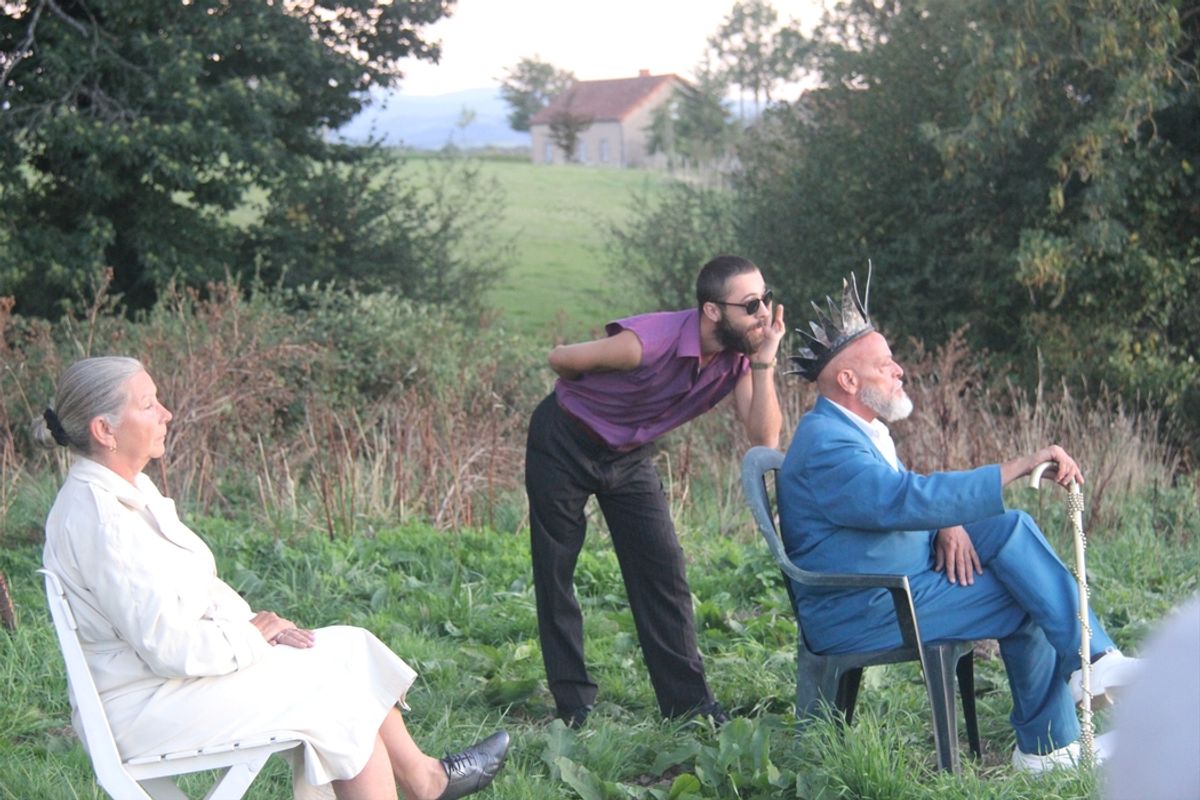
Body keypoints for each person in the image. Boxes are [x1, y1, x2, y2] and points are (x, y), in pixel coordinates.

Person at [35, 356, 509, 800]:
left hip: (161, 683)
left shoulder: (128, 487)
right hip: (142, 707)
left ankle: (425, 778)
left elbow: (193, 591)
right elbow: (168, 646)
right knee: (338, 696)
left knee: (345, 646)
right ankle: (424, 783)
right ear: (105, 430)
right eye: (148, 405)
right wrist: (249, 638)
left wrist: (264, 629)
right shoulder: (104, 521)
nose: (167, 413)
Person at [777, 273, 1140, 773]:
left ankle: (1094, 663)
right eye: (886, 366)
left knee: (1008, 529)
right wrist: (1016, 467)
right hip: (871, 603)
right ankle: (1047, 747)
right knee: (1024, 594)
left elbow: (888, 502)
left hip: (895, 575)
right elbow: (899, 498)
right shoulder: (827, 446)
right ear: (848, 381)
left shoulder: (849, 428)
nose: (899, 371)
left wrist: (949, 523)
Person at [525, 254, 785, 727]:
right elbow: (560, 359)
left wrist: (764, 363)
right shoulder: (646, 344)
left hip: (628, 457)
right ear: (712, 310)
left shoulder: (740, 360)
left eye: (766, 299)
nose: (764, 314)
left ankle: (688, 706)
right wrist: (599, 400)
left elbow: (764, 438)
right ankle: (574, 705)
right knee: (556, 568)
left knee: (663, 570)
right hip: (564, 440)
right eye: (750, 305)